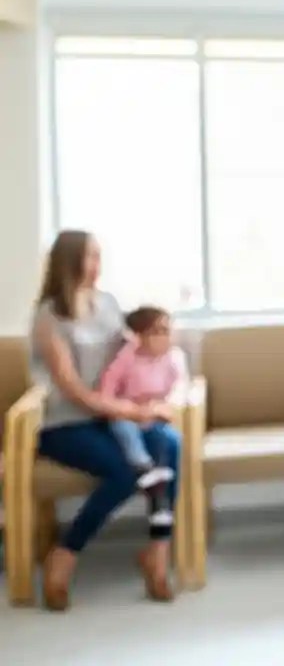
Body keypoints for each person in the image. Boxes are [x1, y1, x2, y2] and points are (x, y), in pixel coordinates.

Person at [29, 230, 182, 610]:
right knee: (128, 470)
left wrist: (159, 356)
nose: (97, 265)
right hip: (66, 424)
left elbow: (129, 356)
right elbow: (74, 390)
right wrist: (133, 411)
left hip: (114, 419)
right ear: (69, 262)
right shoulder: (49, 317)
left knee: (168, 443)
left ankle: (157, 554)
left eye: (99, 256)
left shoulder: (109, 304)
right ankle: (65, 553)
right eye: (90, 257)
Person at [97, 305, 188, 528]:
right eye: (157, 332)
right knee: (122, 426)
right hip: (128, 412)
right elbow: (106, 391)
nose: (165, 337)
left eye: (167, 331)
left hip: (158, 414)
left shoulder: (174, 357)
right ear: (138, 336)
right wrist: (129, 410)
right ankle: (144, 467)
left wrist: (162, 407)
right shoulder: (126, 357)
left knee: (166, 440)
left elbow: (180, 387)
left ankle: (161, 503)